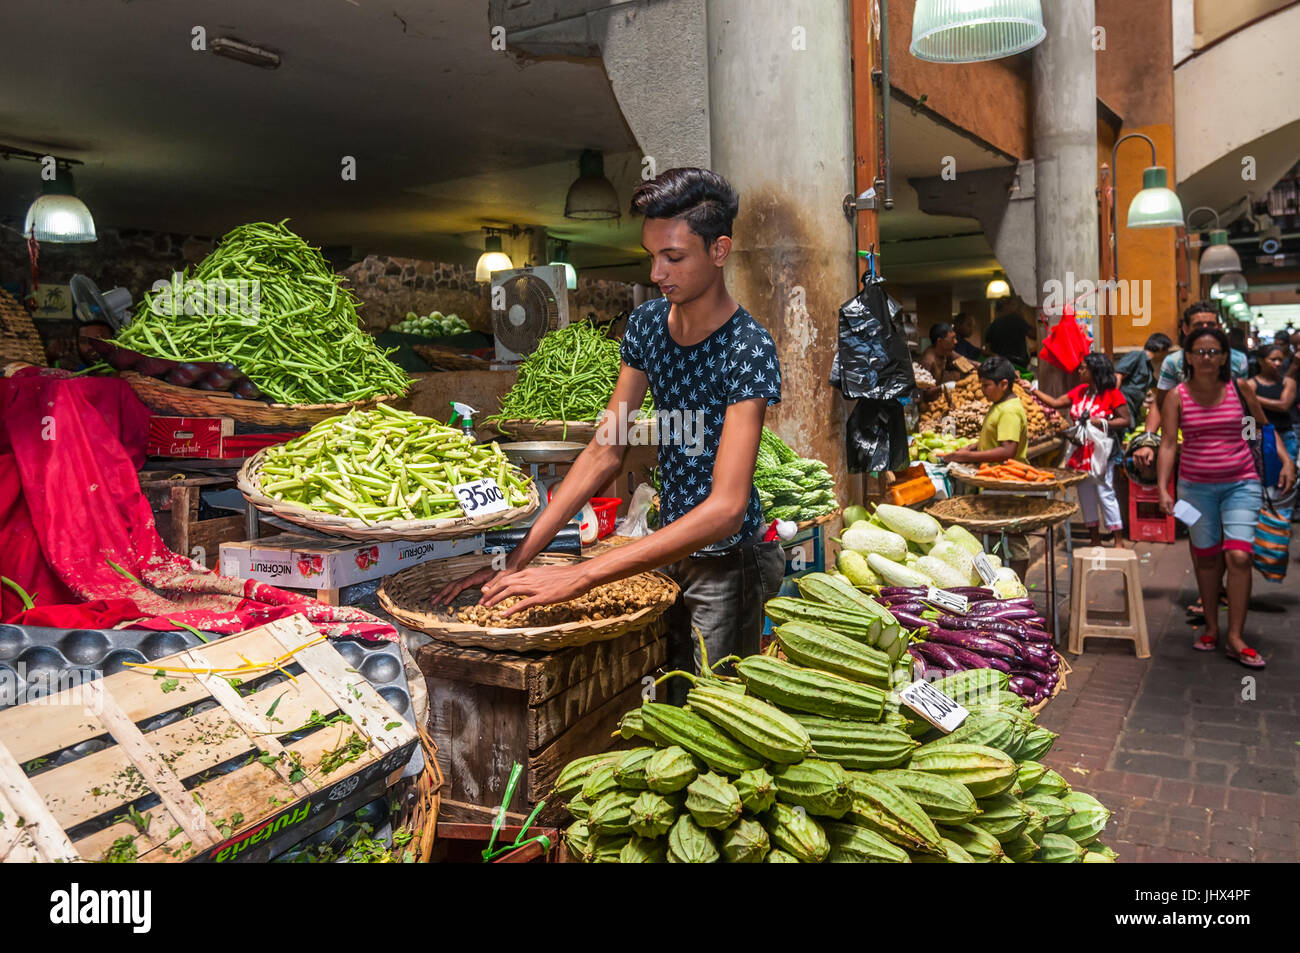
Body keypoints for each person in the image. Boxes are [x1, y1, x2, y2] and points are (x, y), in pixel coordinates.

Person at [435, 167, 785, 697]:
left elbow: (726, 508)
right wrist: (514, 560)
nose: (658, 272)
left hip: (728, 564)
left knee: (719, 712)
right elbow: (605, 449)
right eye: (651, 256)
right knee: (666, 697)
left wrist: (581, 575)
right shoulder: (646, 327)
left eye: (674, 257)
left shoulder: (748, 348)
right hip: (665, 549)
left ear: (719, 251)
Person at [1157, 326, 1295, 669]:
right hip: (1193, 489)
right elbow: (1169, 443)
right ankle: (1212, 626)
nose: (1206, 358)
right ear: (1188, 357)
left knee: (1238, 557)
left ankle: (1235, 636)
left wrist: (1286, 459)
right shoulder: (1176, 396)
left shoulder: (1239, 388)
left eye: (1213, 352)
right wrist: (1163, 488)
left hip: (1241, 483)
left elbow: (1262, 427)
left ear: (1224, 357)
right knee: (1205, 559)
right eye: (1199, 352)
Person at [938, 356, 1030, 580]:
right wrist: (972, 448)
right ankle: (998, 586)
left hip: (1007, 487)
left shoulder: (1009, 410)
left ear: (1004, 384)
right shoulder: (999, 406)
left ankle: (1017, 591)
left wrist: (963, 455)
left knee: (1015, 541)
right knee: (999, 539)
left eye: (987, 385)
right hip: (995, 485)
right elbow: (994, 440)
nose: (982, 390)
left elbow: (1007, 450)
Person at [1035, 353, 1131, 547]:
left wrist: (1101, 422)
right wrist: (1032, 390)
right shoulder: (1079, 391)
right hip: (1080, 452)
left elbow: (1126, 420)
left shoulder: (1112, 393)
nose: (1079, 371)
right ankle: (1094, 538)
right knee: (1085, 494)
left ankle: (1118, 540)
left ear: (1094, 371)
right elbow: (1055, 403)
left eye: (1083, 368)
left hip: (1102, 452)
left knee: (1105, 492)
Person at [1114, 332, 1172, 427]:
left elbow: (1158, 388)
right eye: (1166, 351)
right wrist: (1114, 401)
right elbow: (1118, 375)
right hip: (1123, 406)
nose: (1166, 355)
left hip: (1133, 409)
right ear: (1161, 349)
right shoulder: (1136, 356)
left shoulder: (1149, 369)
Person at [985, 304, 1035, 371]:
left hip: (999, 364)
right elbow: (1034, 335)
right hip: (1018, 363)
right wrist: (1022, 316)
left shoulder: (992, 326)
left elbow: (987, 349)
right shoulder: (1016, 320)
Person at [919, 322, 960, 401]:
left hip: (939, 400)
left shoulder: (946, 352)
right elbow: (923, 394)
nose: (955, 341)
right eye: (952, 338)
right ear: (940, 341)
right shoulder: (928, 361)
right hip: (927, 405)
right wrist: (943, 387)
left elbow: (965, 361)